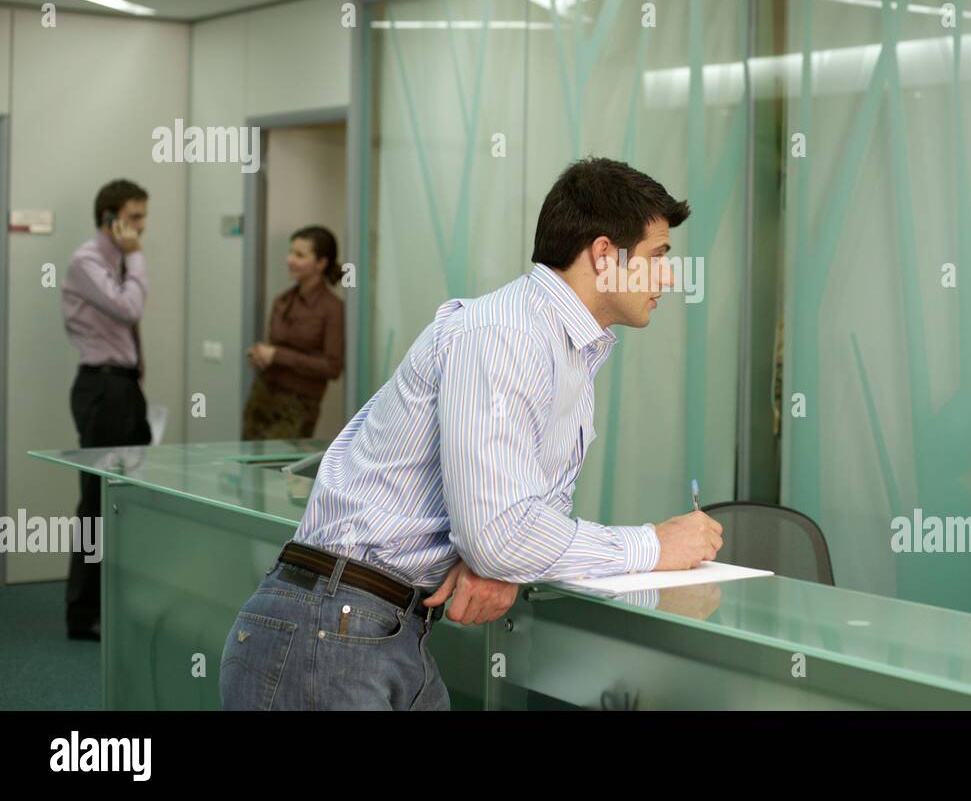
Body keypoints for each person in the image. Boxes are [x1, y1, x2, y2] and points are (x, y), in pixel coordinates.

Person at [219, 156, 724, 710]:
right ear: (604, 254)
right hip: (334, 631)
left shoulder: (568, 351)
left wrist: (496, 555)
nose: (670, 277)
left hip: (379, 629)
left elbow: (516, 526)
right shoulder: (506, 336)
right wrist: (652, 545)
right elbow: (502, 535)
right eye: (658, 256)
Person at [61, 179, 152, 641]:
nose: (141, 228)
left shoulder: (115, 261)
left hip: (123, 387)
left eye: (143, 218)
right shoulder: (88, 261)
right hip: (101, 388)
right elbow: (128, 308)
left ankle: (115, 604)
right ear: (109, 219)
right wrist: (135, 255)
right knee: (96, 502)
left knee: (124, 500)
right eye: (134, 218)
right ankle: (83, 613)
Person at [242, 226, 345, 440]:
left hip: (298, 405)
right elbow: (275, 347)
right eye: (291, 252)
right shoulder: (282, 300)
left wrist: (277, 356)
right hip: (263, 395)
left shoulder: (332, 308)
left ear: (321, 263)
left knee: (278, 471)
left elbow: (333, 367)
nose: (290, 260)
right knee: (247, 467)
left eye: (299, 255)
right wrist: (261, 356)